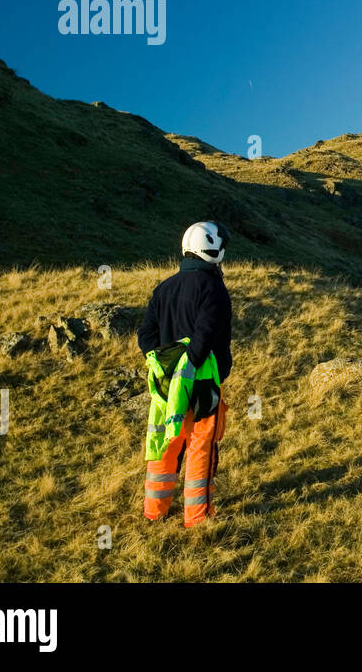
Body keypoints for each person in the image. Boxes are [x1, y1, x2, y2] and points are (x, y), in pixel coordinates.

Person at [138, 222, 233, 527]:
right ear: (212, 249)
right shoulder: (213, 288)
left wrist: (166, 364)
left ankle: (154, 510)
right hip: (202, 384)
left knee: (166, 443)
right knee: (200, 447)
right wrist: (190, 363)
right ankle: (197, 517)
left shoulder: (165, 287)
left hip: (166, 388)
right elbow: (206, 335)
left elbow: (145, 335)